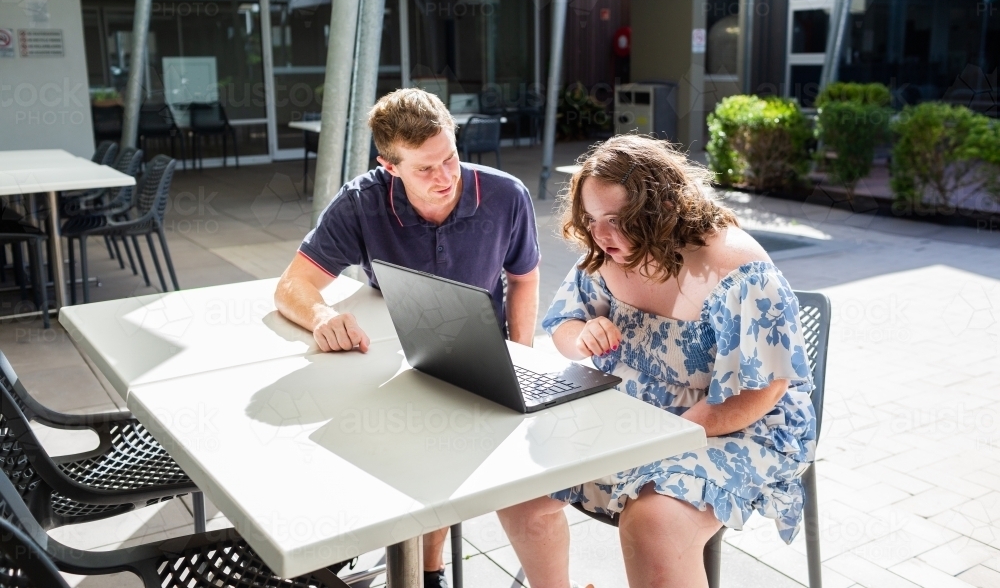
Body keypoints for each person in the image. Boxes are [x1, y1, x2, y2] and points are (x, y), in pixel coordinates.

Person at [496, 135, 815, 588]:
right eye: (591, 220)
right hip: (635, 414)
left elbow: (764, 389)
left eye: (617, 220)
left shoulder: (736, 268)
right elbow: (564, 324)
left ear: (663, 208)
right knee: (516, 483)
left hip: (737, 424)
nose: (601, 235)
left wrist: (662, 438)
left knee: (653, 524)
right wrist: (582, 335)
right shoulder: (607, 252)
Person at [274, 88, 541, 588]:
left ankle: (427, 572)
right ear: (390, 167)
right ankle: (350, 546)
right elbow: (292, 285)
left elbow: (523, 279)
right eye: (425, 169)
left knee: (439, 444)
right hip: (385, 355)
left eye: (450, 158)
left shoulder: (506, 195)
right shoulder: (362, 201)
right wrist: (322, 315)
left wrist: (520, 358)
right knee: (329, 436)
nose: (445, 177)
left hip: (470, 361)